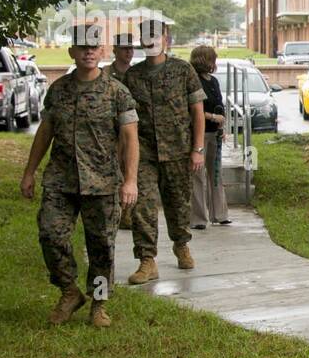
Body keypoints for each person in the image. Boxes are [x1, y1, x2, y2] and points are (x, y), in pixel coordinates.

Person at [20, 23, 138, 327]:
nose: (88, 52)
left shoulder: (116, 92)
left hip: (102, 182)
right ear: (72, 51)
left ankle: (98, 304)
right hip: (61, 180)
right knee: (50, 234)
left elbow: (130, 139)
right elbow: (45, 132)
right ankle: (69, 292)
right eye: (82, 47)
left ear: (102, 51)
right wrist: (29, 172)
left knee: (101, 246)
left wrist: (130, 180)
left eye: (94, 47)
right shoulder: (58, 90)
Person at [124, 18, 206, 283]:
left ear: (166, 40)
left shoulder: (183, 70)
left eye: (156, 37)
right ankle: (147, 260)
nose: (151, 42)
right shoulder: (132, 76)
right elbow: (124, 120)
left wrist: (198, 148)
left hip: (178, 151)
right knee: (143, 206)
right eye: (146, 37)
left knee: (178, 205)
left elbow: (197, 112)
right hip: (144, 153)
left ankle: (181, 244)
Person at [189, 45, 230, 228]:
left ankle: (220, 214)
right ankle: (198, 219)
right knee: (197, 176)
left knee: (216, 174)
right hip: (199, 134)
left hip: (215, 133)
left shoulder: (213, 81)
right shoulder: (193, 81)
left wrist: (222, 125)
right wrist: (213, 117)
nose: (214, 62)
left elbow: (219, 104)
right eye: (212, 59)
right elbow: (193, 110)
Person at [108, 32, 137, 230]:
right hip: (109, 133)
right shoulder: (105, 74)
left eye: (131, 48)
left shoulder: (136, 75)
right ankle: (114, 211)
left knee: (131, 171)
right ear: (115, 50)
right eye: (124, 48)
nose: (128, 52)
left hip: (131, 131)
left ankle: (128, 214)